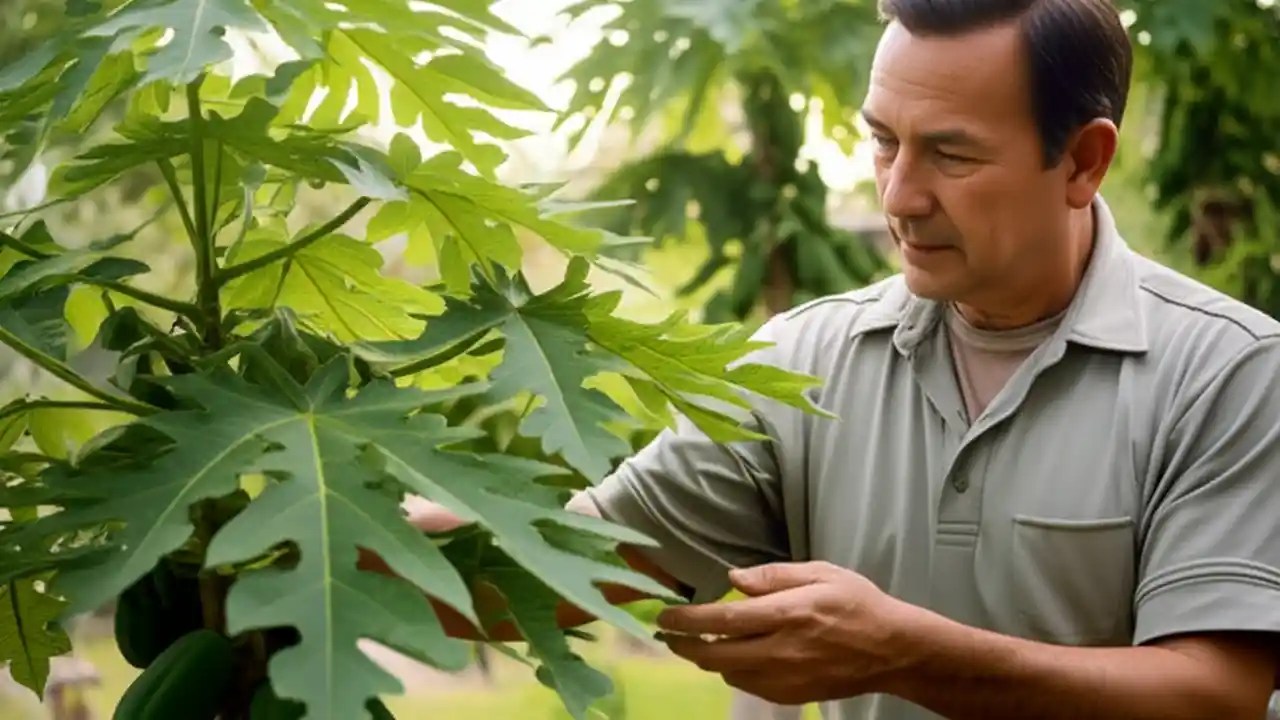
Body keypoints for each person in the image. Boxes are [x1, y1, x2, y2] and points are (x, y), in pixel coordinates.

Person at [391, 0, 1280, 717]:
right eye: (884, 139)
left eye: (951, 154)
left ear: (1083, 161)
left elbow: (1213, 692)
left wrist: (907, 653)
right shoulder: (799, 361)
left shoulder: (1230, 373)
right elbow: (567, 569)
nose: (899, 195)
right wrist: (318, 512)